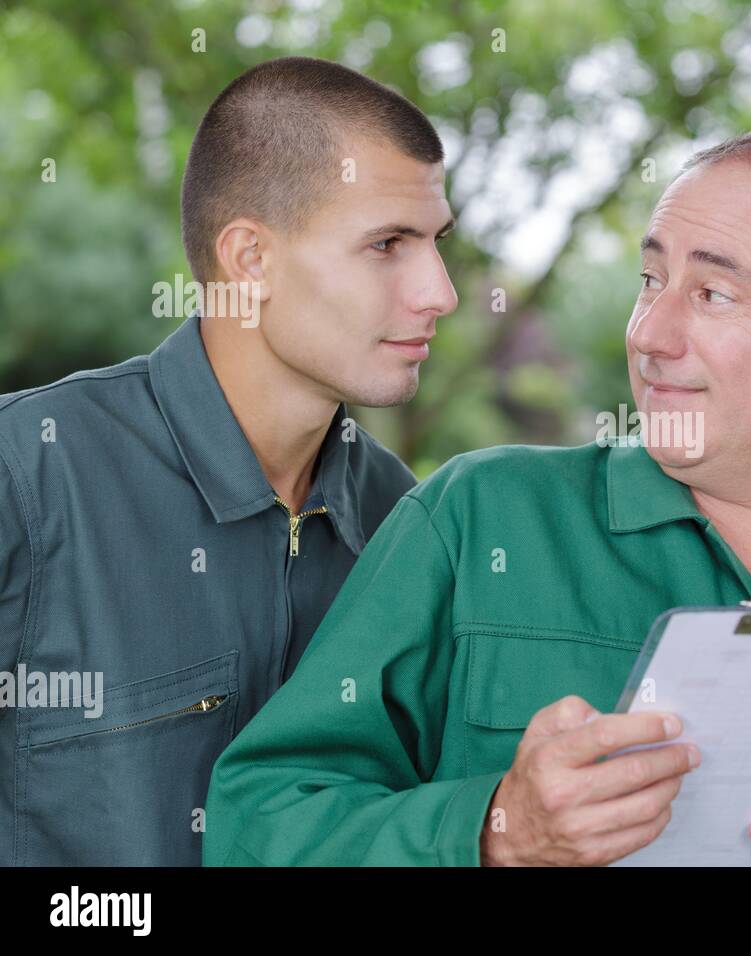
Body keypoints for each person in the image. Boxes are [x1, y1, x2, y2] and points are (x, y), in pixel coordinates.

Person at [203, 125, 751, 867]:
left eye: (711, 291)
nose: (649, 334)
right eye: (650, 281)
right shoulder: (481, 520)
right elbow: (254, 827)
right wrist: (493, 830)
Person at [0, 56, 457, 866]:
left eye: (435, 242)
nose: (441, 292)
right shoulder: (28, 474)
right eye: (388, 243)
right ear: (250, 260)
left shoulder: (406, 519)